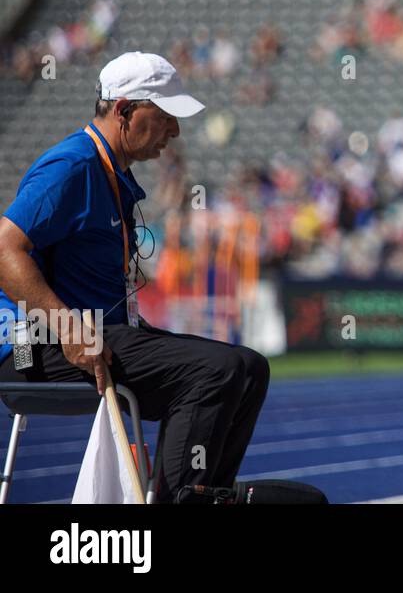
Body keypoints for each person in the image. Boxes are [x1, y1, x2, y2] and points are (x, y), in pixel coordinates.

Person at [0, 52, 269, 502]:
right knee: (215, 372)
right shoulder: (72, 167)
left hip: (100, 332)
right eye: (164, 116)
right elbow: (4, 248)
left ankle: (205, 494)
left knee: (249, 368)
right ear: (125, 110)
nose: (175, 130)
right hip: (28, 348)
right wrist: (68, 327)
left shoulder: (111, 173)